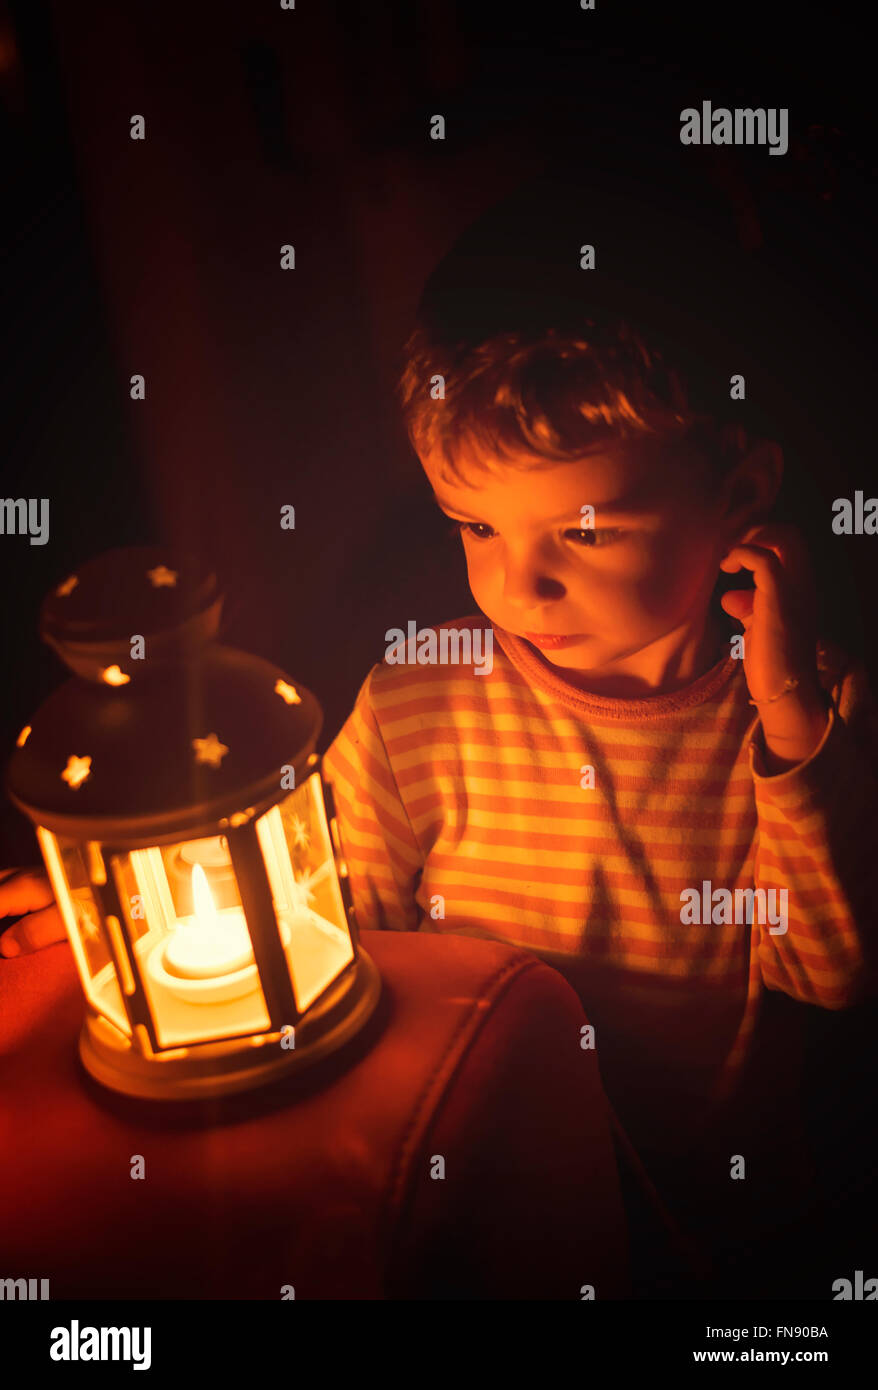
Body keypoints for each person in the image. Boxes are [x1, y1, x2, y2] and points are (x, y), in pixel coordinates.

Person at [3, 172, 876, 1297]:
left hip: (719, 1223)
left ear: (739, 491)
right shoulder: (422, 695)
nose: (520, 581)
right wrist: (123, 915)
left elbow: (829, 971)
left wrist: (791, 717)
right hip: (489, 1205)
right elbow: (329, 918)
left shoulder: (802, 708)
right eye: (473, 524)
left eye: (585, 528)